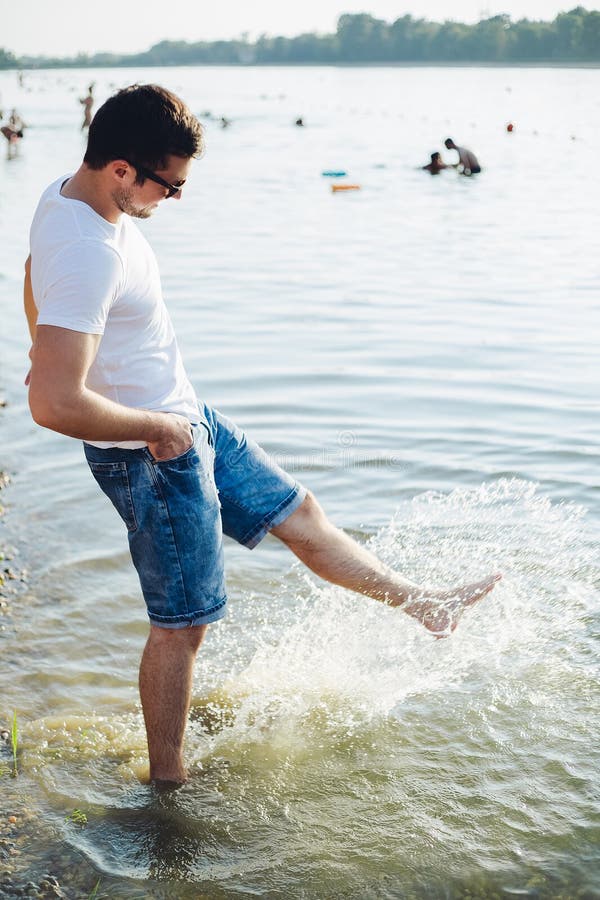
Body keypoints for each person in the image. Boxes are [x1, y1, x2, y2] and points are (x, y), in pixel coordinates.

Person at [25, 85, 500, 787]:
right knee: (182, 624)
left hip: (185, 418)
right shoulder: (88, 248)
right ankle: (168, 784)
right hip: (155, 452)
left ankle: (426, 606)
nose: (176, 199)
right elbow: (53, 402)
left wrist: (158, 408)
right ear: (122, 168)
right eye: (171, 185)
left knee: (300, 512)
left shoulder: (62, 197)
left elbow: (34, 280)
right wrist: (160, 430)